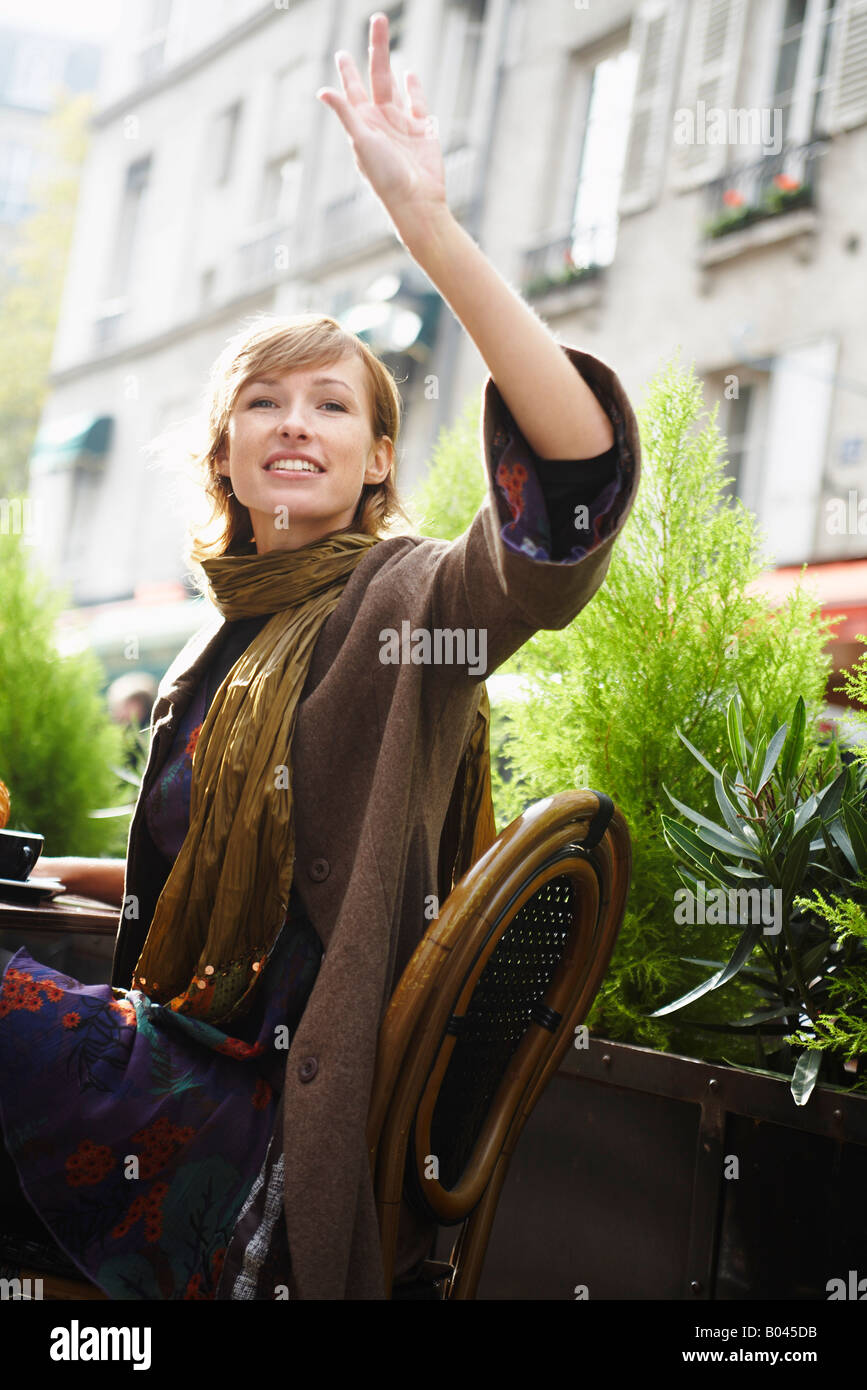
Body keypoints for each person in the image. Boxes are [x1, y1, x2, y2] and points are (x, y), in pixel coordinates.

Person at [0, 12, 641, 1300]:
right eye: (263, 402)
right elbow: (221, 879)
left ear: (377, 459)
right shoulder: (222, 641)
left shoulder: (407, 601)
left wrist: (430, 233)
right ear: (224, 454)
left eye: (333, 405)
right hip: (176, 1063)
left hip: (263, 1134)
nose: (297, 424)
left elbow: (567, 488)